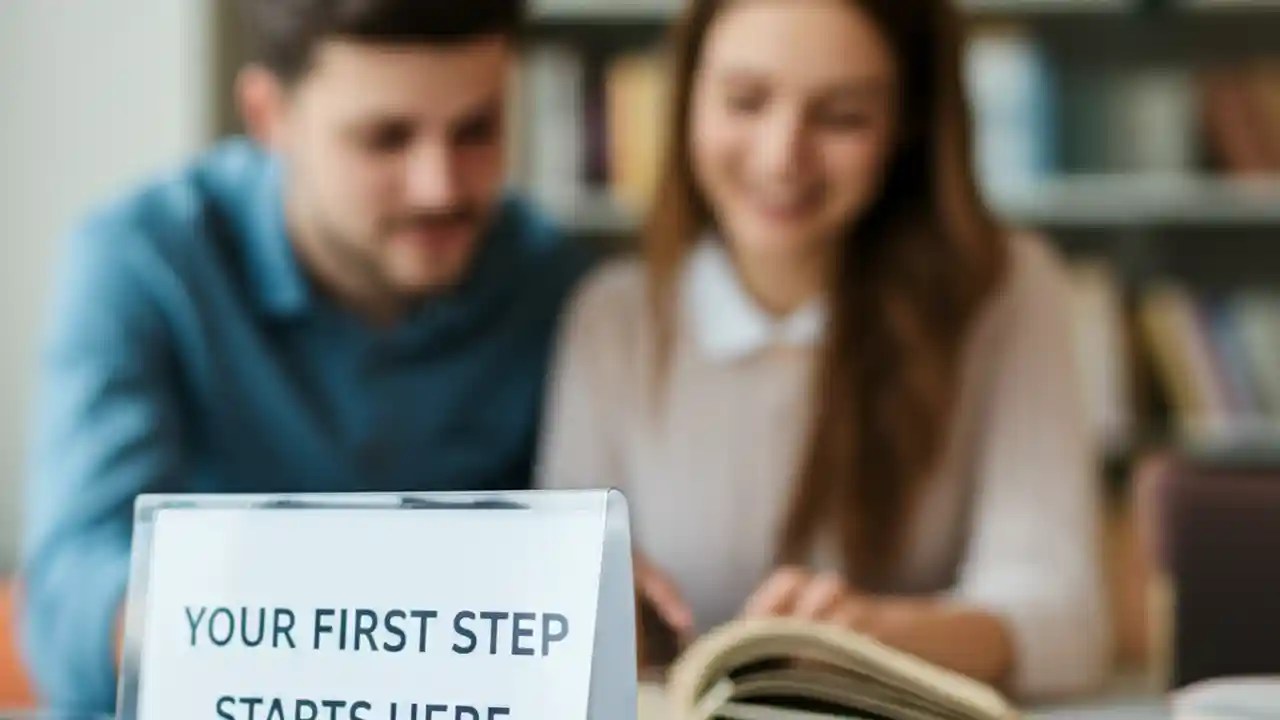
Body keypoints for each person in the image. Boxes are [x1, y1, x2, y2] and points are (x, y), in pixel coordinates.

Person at [21, 0, 591, 711]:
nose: (439, 186)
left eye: (477, 130)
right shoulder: (144, 261)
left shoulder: (555, 284)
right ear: (270, 117)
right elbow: (70, 601)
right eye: (385, 139)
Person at [538, 0, 1111, 701]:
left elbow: (1064, 624)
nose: (782, 157)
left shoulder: (1006, 290)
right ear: (685, 96)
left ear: (908, 125)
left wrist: (870, 637)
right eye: (745, 101)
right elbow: (559, 594)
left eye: (842, 117)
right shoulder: (613, 314)